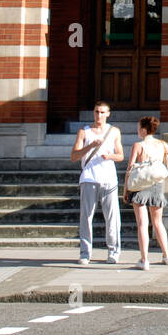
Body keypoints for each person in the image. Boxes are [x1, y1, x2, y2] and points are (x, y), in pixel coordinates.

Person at [124, 116, 168, 271]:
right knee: (158, 222)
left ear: (143, 129)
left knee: (142, 224)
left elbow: (129, 169)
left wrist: (125, 190)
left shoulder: (138, 145)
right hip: (157, 184)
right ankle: (166, 255)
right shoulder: (162, 144)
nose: (137, 130)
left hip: (140, 185)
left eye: (138, 127)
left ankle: (144, 259)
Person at [70, 101, 124, 265]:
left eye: (102, 112)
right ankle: (85, 253)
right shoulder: (84, 132)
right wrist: (91, 146)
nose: (99, 115)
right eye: (96, 112)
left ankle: (113, 251)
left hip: (108, 179)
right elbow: (74, 156)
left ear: (108, 114)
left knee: (112, 217)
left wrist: (110, 156)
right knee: (86, 217)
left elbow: (121, 155)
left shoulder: (114, 131)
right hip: (89, 178)